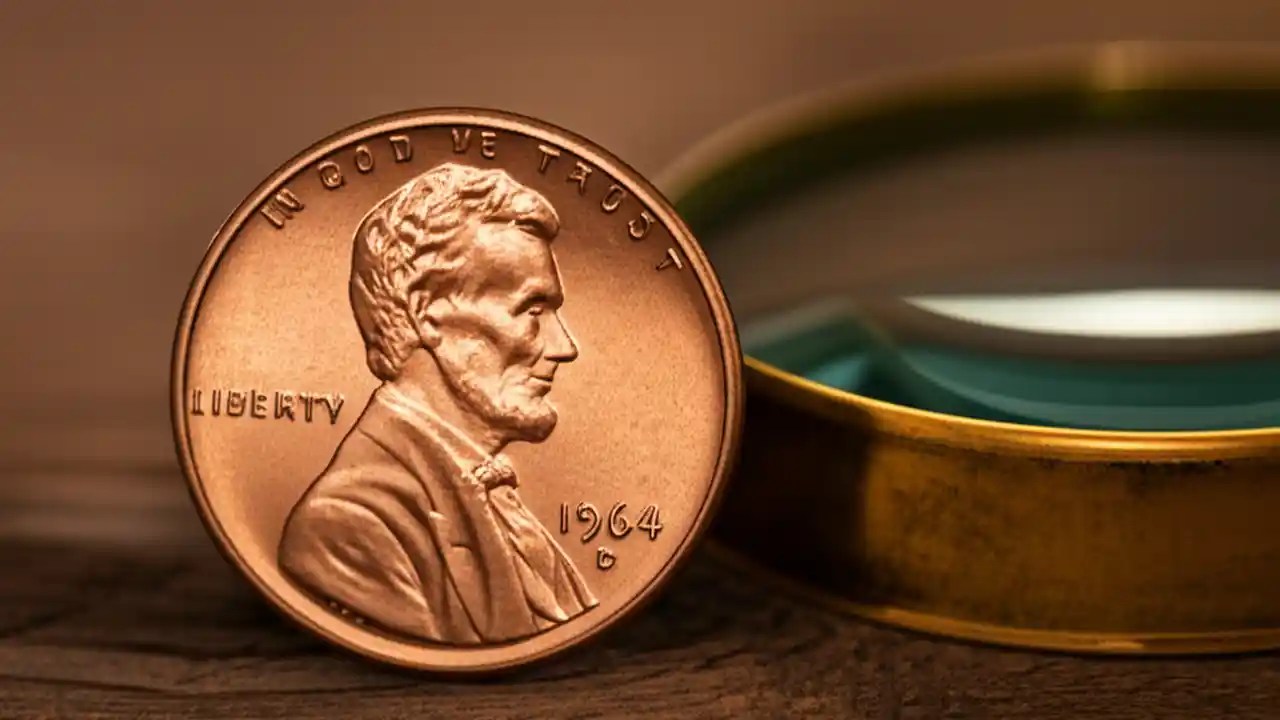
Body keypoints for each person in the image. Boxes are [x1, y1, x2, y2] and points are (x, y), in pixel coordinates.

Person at [278, 163, 597, 645]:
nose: (564, 345)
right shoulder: (348, 525)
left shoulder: (495, 497)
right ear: (426, 313)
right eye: (533, 310)